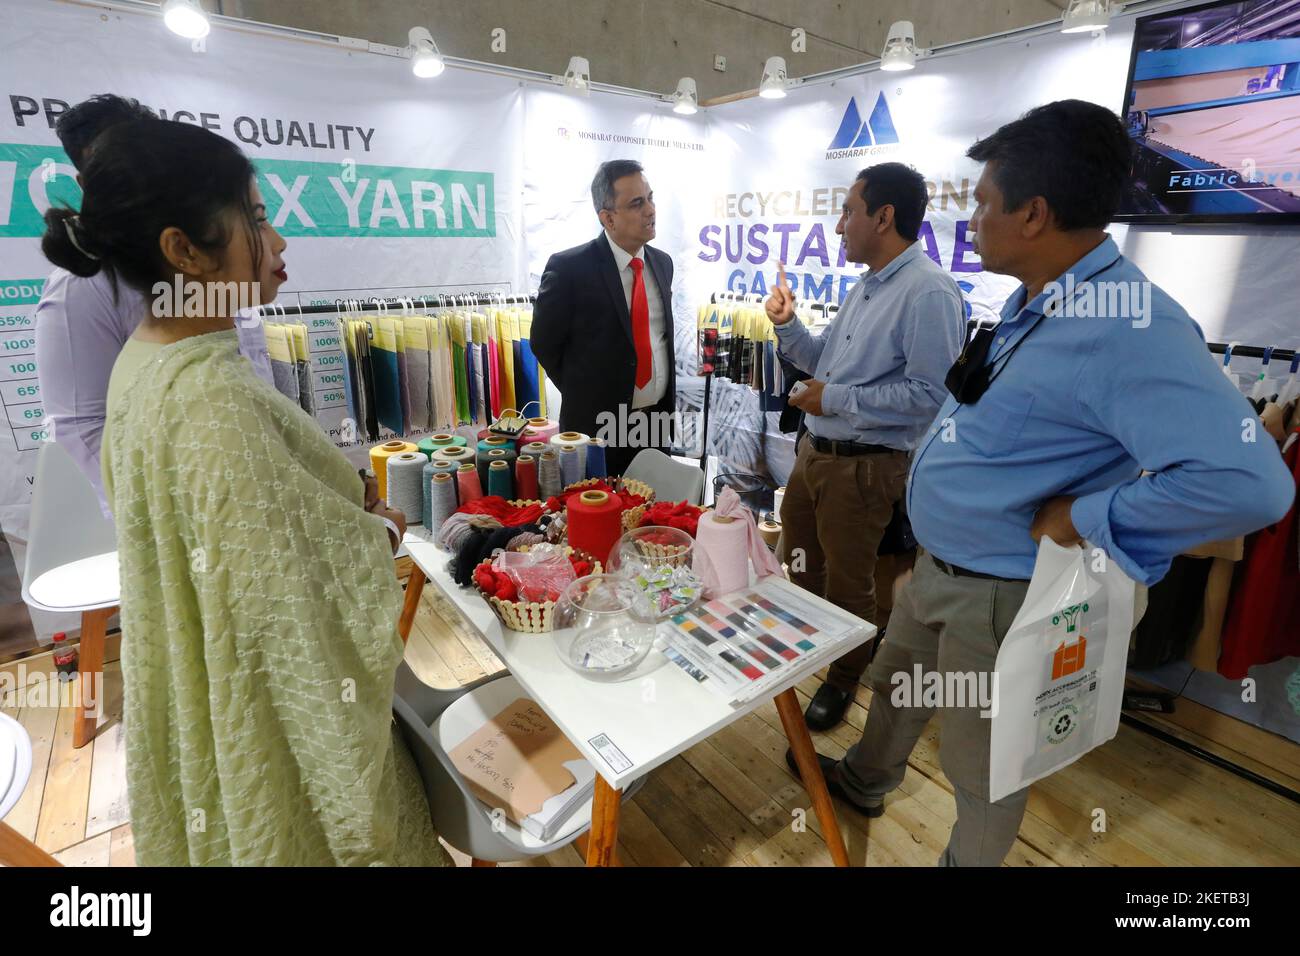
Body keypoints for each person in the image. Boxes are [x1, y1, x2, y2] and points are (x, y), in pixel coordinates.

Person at [786, 100, 1294, 866]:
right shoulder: (1036, 303)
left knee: (985, 763)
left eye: (984, 205)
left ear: (1033, 214)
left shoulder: (1131, 327)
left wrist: (1088, 515)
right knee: (898, 686)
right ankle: (864, 779)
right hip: (940, 571)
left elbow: (1253, 483)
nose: (973, 222)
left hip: (1002, 593)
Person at [41, 118, 447, 866]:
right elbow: (290, 603)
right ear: (183, 250)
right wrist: (382, 531)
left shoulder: (152, 359)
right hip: (261, 718)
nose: (280, 241)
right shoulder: (212, 404)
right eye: (256, 219)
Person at [765, 162, 965, 731]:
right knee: (803, 565)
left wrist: (836, 402)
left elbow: (931, 397)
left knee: (851, 586)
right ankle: (817, 651)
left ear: (884, 216)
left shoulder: (929, 292)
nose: (838, 226)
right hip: (816, 458)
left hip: (865, 468)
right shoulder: (868, 286)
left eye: (848, 211)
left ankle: (846, 677)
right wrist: (787, 325)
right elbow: (821, 360)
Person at [35, 94, 273, 516]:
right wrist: (161, 511)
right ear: (86, 184)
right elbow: (82, 425)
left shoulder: (217, 268)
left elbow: (252, 371)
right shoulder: (82, 288)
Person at [532, 159, 676, 476]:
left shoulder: (662, 264)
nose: (650, 210)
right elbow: (543, 343)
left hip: (653, 421)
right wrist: (585, 391)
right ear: (608, 218)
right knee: (599, 516)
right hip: (595, 427)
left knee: (652, 517)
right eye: (637, 203)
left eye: (650, 198)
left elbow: (658, 337)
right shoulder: (570, 268)